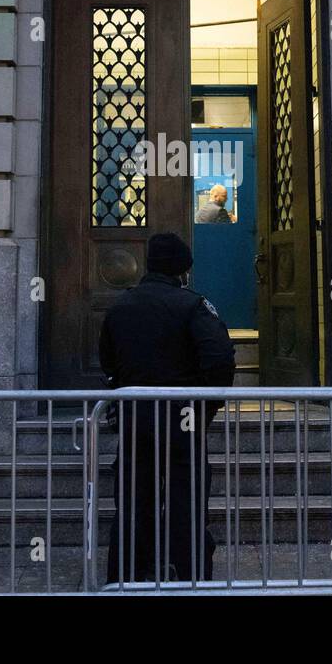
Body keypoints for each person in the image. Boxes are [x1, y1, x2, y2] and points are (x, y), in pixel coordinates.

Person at [99, 231, 235, 585]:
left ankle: (125, 579)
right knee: (186, 505)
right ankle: (190, 578)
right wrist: (206, 405)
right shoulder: (192, 305)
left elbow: (108, 362)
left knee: (132, 505)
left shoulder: (121, 306)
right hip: (182, 421)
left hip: (134, 419)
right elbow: (220, 358)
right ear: (182, 270)